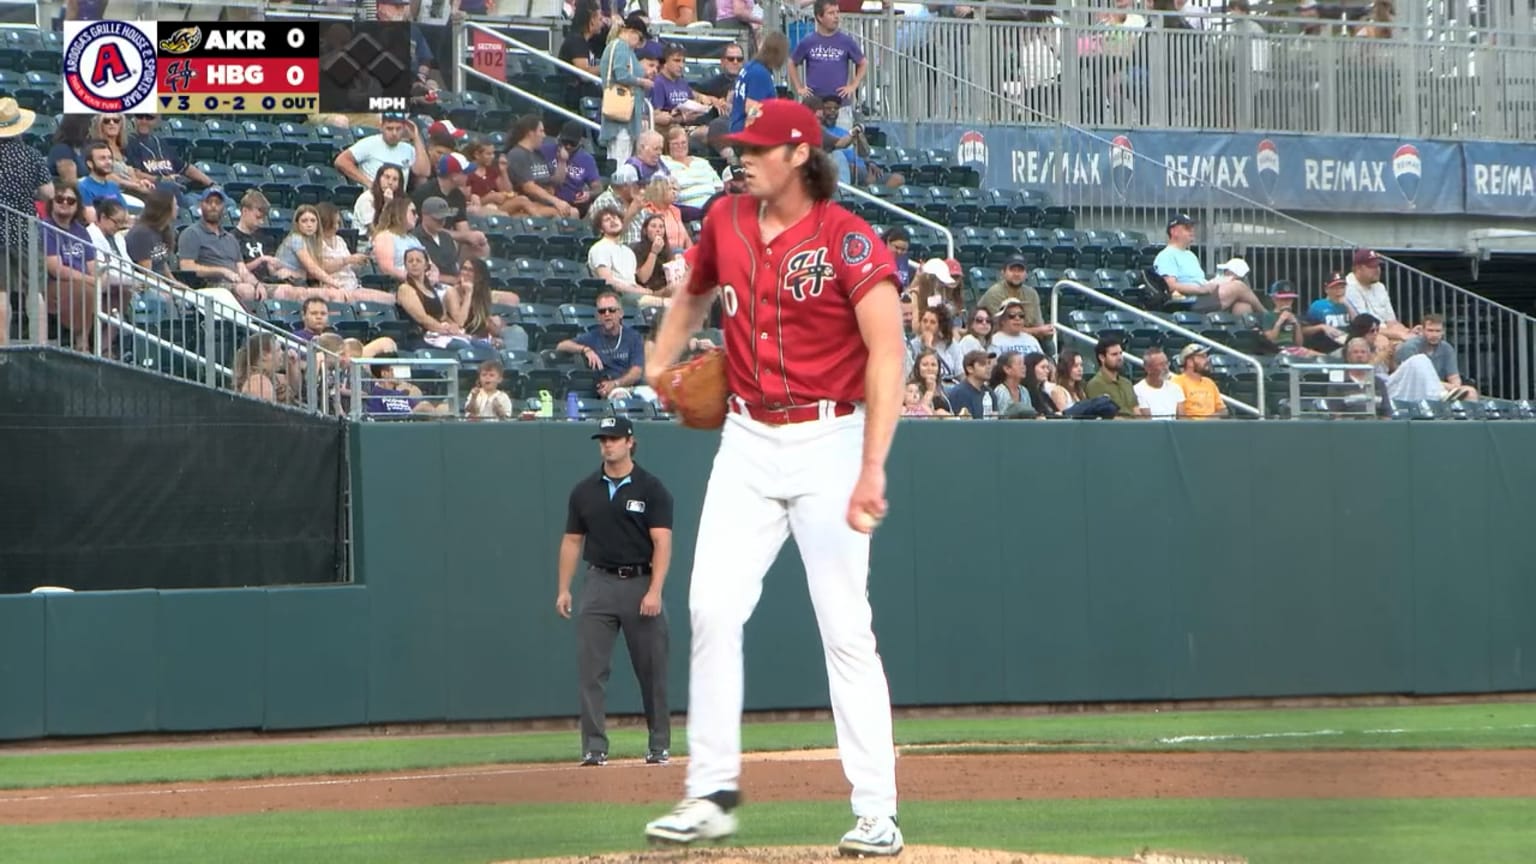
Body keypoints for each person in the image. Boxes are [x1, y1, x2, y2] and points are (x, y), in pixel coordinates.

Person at [641, 100, 906, 858]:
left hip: (831, 435)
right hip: (750, 438)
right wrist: (662, 357)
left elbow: (887, 354)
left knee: (845, 628)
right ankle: (711, 794)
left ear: (799, 153)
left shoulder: (850, 240)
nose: (742, 157)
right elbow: (693, 293)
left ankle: (877, 812)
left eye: (757, 148)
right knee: (711, 609)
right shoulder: (724, 220)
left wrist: (872, 465)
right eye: (740, 147)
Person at [557, 416, 675, 767]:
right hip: (599, 582)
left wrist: (655, 590)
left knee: (652, 670)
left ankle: (659, 744)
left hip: (640, 581)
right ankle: (594, 747)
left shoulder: (651, 488)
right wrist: (564, 588)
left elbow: (662, 542)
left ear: (630, 442)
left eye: (614, 438)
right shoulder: (584, 490)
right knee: (591, 671)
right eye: (603, 439)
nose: (607, 444)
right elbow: (572, 541)